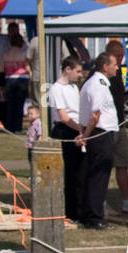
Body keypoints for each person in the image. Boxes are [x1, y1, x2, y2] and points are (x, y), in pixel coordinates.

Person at [75, 52, 120, 229]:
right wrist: (86, 136)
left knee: (92, 175)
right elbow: (95, 114)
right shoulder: (99, 85)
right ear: (105, 66)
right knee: (98, 177)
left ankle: (88, 214)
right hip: (100, 134)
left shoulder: (92, 83)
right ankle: (95, 217)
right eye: (115, 64)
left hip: (95, 132)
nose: (117, 68)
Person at [48, 55, 84, 221]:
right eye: (77, 71)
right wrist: (80, 128)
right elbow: (63, 116)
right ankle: (70, 211)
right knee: (70, 173)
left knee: (79, 172)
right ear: (67, 69)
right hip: (65, 130)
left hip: (77, 128)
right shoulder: (56, 88)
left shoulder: (73, 87)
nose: (79, 75)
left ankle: (78, 207)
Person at [105, 39, 128, 214]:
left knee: (122, 161)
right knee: (104, 164)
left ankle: (127, 200)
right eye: (118, 57)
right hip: (107, 126)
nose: (120, 62)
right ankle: (100, 201)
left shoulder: (117, 75)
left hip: (120, 125)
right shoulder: (102, 77)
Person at [1, 27, 30, 133]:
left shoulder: (6, 54)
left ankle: (9, 126)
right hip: (22, 79)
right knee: (19, 105)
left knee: (10, 104)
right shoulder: (23, 54)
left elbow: (1, 68)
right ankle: (17, 127)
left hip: (9, 79)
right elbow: (27, 68)